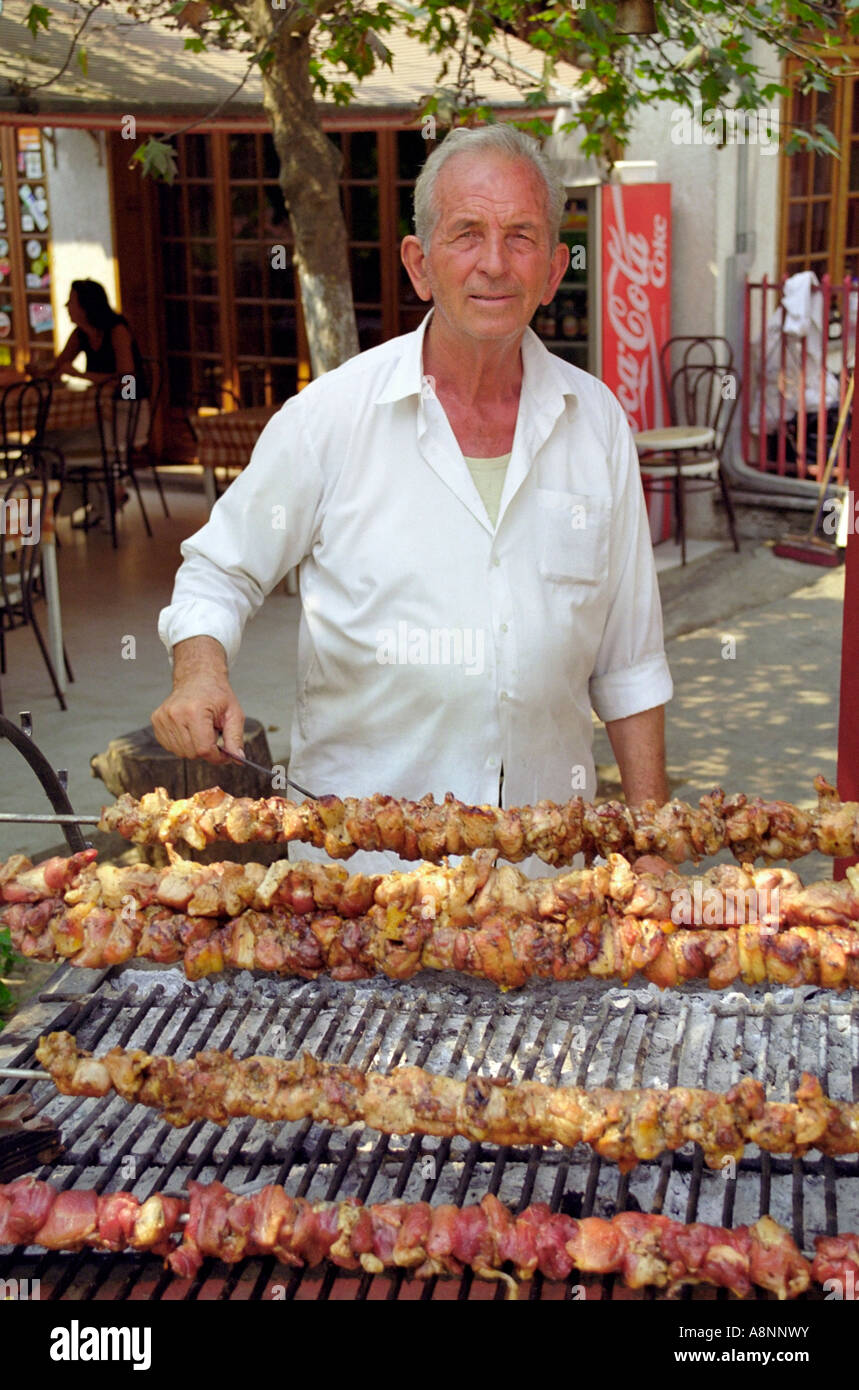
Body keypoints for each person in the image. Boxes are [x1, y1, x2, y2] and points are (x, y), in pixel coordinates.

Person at [154, 125, 673, 872]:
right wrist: (199, 671)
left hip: (545, 886)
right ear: (418, 264)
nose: (493, 263)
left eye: (520, 236)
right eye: (466, 233)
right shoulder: (329, 418)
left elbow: (628, 662)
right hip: (359, 888)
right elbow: (219, 570)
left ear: (555, 270)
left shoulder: (595, 425)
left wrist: (651, 841)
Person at [37, 280, 148, 527]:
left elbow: (129, 382)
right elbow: (58, 366)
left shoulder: (117, 330)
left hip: (127, 413)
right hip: (98, 413)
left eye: (72, 301)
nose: (66, 306)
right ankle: (103, 500)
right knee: (47, 442)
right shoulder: (81, 335)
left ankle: (99, 504)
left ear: (86, 306)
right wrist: (43, 371)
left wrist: (84, 377)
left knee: (56, 447)